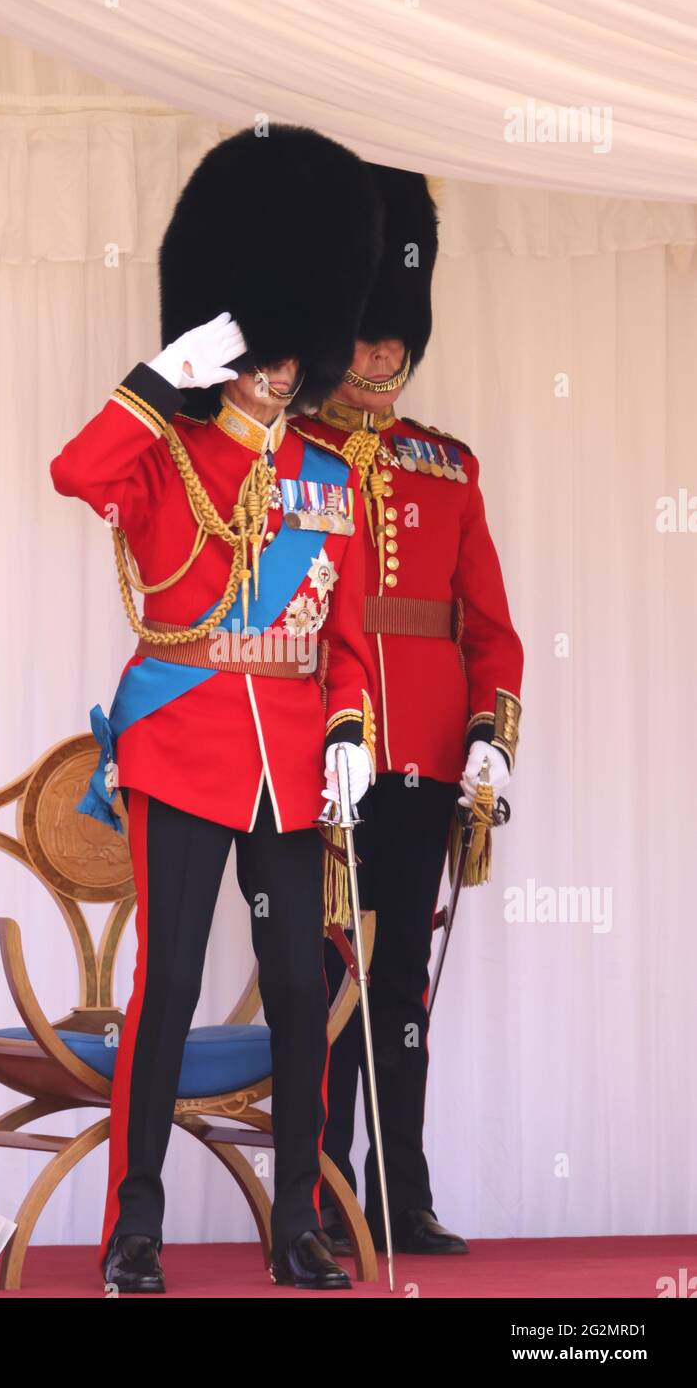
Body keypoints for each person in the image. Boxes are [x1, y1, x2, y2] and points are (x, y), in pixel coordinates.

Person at [50, 126, 382, 1292]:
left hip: (291, 757)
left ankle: (296, 1224)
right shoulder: (165, 451)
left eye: (292, 350)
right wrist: (161, 376)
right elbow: (74, 472)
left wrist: (349, 733)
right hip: (185, 742)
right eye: (258, 348)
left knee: (300, 983)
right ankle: (132, 1226)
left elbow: (342, 645)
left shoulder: (332, 480)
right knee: (173, 981)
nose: (277, 370)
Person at [294, 164, 524, 1256]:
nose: (381, 354)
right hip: (322, 757)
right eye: (366, 334)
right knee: (328, 971)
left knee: (402, 983)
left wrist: (492, 737)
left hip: (428, 757)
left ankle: (401, 1192)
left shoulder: (451, 466)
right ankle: (321, 1197)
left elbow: (491, 628)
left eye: (394, 337)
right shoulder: (288, 460)